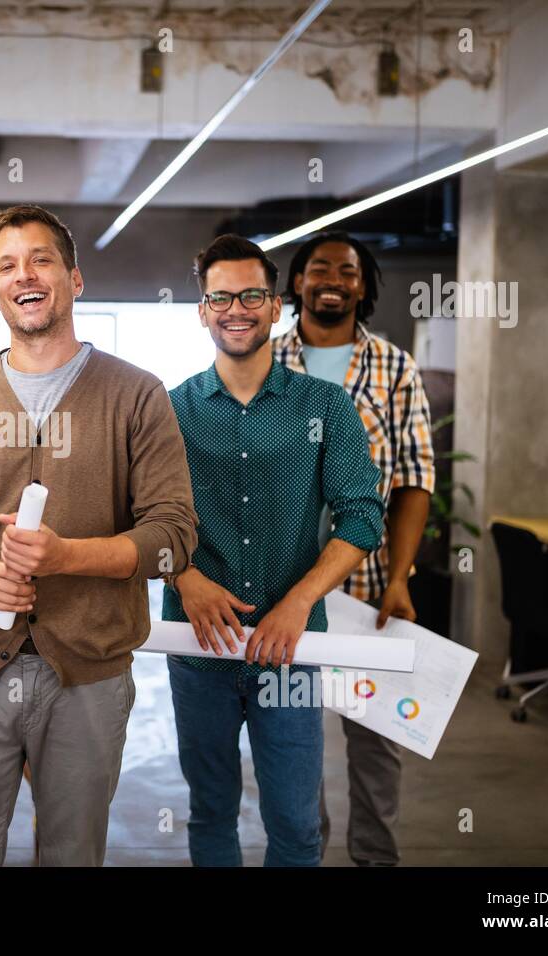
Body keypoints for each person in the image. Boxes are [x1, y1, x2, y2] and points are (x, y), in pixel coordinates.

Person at [0, 203, 198, 866]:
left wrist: (66, 557)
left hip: (88, 675)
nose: (22, 275)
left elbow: (173, 536)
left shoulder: (137, 396)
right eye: (6, 265)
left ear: (74, 279)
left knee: (71, 853)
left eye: (40, 260)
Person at [165, 233, 384, 867]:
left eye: (252, 295)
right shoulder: (170, 410)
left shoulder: (326, 406)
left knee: (294, 823)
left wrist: (299, 600)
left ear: (276, 304)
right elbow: (144, 518)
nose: (237, 308)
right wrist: (185, 577)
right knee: (210, 812)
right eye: (221, 297)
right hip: (197, 650)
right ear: (202, 310)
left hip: (289, 653)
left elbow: (362, 517)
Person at [276, 231, 435, 867]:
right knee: (293, 741)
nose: (333, 279)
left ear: (363, 286)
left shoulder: (396, 368)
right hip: (285, 592)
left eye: (347, 270)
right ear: (297, 284)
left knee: (374, 742)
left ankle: (376, 858)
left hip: (369, 593)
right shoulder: (267, 361)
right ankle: (301, 855)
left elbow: (414, 478)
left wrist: (401, 577)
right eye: (319, 268)